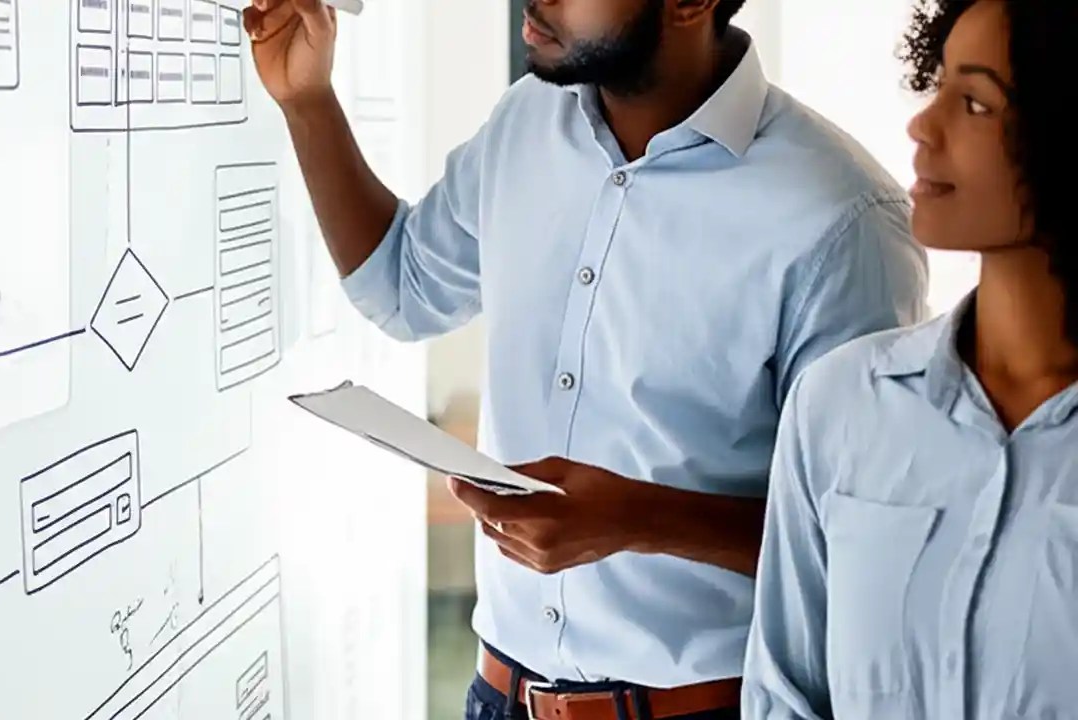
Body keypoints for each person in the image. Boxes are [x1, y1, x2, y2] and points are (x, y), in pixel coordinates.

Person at [243, 0, 929, 717]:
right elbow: (404, 288)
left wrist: (639, 517)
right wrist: (308, 102)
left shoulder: (840, 218)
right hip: (499, 696)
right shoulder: (525, 123)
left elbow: (866, 545)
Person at [741, 1, 1078, 718]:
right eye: (938, 86)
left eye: (976, 103)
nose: (923, 127)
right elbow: (782, 698)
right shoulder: (837, 404)